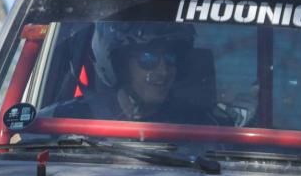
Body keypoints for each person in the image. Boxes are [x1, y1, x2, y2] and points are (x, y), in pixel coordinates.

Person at [45, 21, 218, 125]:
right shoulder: (71, 120)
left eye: (171, 58)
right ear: (120, 66)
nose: (164, 71)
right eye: (148, 59)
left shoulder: (196, 127)